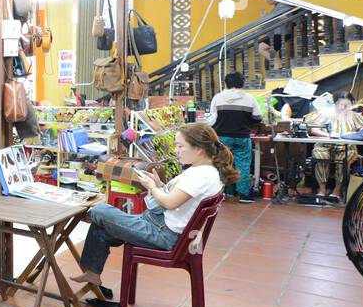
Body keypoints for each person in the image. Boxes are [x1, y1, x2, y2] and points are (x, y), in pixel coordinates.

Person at [69, 123, 237, 288]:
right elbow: (177, 199)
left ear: (198, 149)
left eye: (180, 146)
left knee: (100, 210)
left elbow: (170, 203)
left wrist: (152, 187)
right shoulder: (202, 170)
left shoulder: (201, 176)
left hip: (165, 235)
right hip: (162, 223)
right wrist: (159, 185)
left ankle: (82, 218)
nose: (176, 150)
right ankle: (93, 273)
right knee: (101, 223)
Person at [208, 71, 260, 203]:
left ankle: (218, 194)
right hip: (242, 136)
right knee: (243, 164)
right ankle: (243, 195)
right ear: (242, 83)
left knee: (220, 163)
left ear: (226, 83)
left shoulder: (217, 98)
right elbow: (258, 118)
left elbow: (211, 118)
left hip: (221, 137)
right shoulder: (250, 98)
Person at [307, 92, 363, 201]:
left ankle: (337, 190)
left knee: (344, 160)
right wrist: (330, 135)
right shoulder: (325, 114)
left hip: (346, 147)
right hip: (324, 145)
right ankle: (322, 189)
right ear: (335, 103)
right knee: (320, 156)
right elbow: (314, 129)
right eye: (341, 104)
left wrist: (357, 134)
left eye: (347, 104)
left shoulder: (355, 116)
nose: (343, 107)